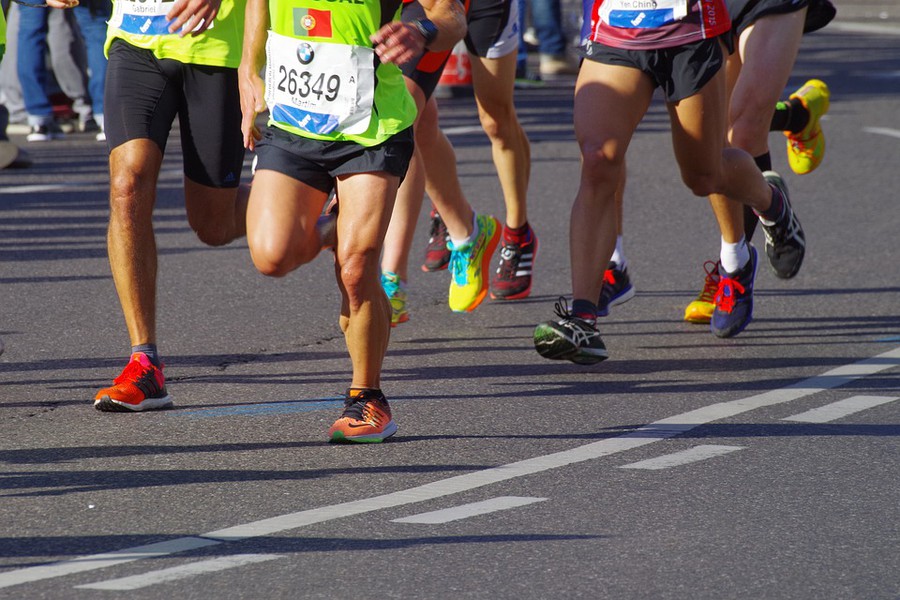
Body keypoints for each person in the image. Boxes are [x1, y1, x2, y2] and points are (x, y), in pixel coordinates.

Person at [238, 0, 466, 441]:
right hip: (293, 121)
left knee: (358, 266)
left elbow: (452, 13)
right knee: (272, 256)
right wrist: (248, 70)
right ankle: (336, 231)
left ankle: (367, 398)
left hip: (372, 129)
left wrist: (422, 31)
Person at [533, 0, 807, 363]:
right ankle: (583, 318)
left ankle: (771, 203)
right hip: (616, 31)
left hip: (689, 32)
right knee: (598, 161)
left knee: (704, 175)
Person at [92, 0, 251, 412]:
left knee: (213, 225)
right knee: (127, 185)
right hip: (136, 40)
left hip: (214, 46)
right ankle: (144, 362)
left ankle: (312, 212)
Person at [381, 0, 536, 324]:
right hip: (422, 7)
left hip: (481, 6)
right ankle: (394, 278)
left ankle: (517, 232)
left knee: (496, 120)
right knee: (405, 118)